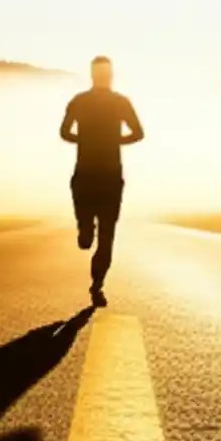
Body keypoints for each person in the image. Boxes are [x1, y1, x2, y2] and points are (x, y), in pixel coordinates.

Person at [59, 55, 144, 307]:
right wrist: (113, 142)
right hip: (99, 175)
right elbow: (138, 133)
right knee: (103, 236)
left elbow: (64, 132)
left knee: (105, 235)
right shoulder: (113, 102)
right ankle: (95, 275)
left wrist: (86, 140)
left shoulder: (83, 101)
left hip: (96, 175)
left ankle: (97, 284)